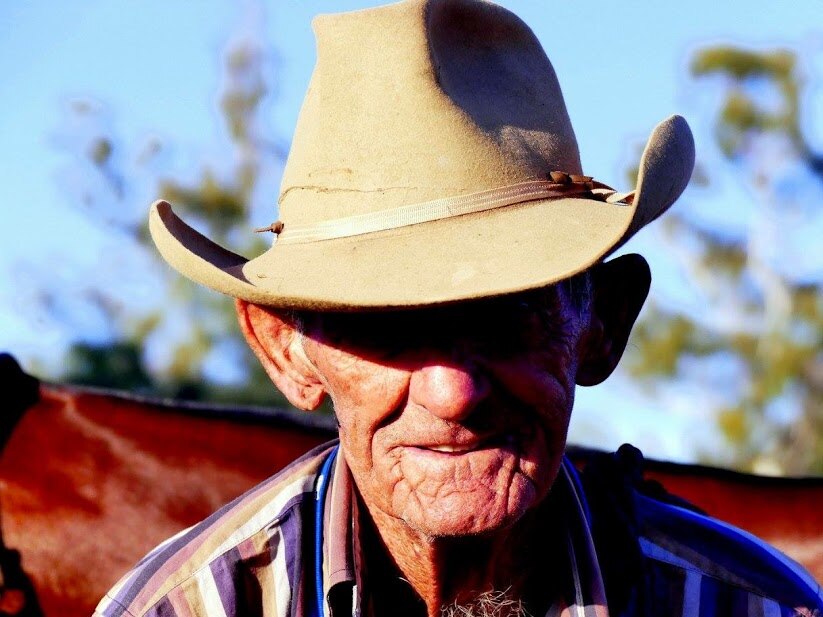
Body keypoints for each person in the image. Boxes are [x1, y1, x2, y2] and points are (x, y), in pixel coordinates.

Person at [93, 1, 823, 615]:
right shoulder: (178, 606)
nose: (452, 391)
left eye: (507, 314)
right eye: (385, 326)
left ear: (601, 323)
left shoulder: (752, 605)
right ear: (285, 349)